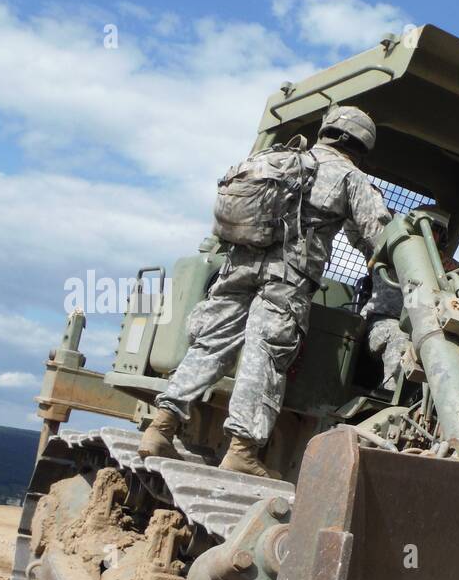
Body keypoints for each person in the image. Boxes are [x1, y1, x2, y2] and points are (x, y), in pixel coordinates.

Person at [138, 104, 392, 477]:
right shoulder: (350, 178)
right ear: (362, 145)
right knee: (265, 354)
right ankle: (242, 450)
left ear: (326, 131)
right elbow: (378, 238)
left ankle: (160, 427)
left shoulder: (284, 160)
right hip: (286, 280)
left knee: (211, 346)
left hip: (238, 266)